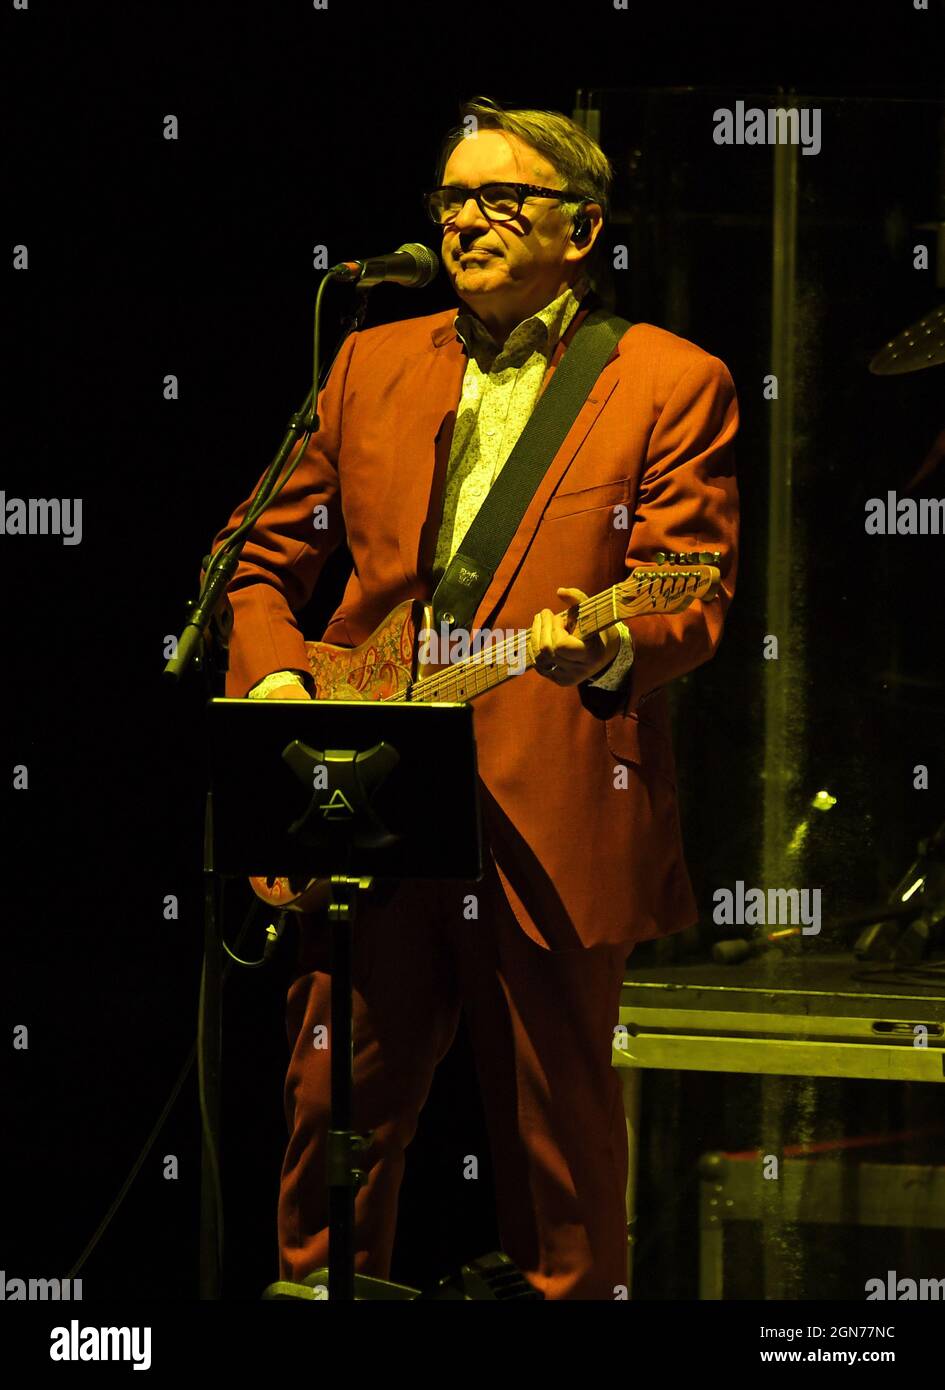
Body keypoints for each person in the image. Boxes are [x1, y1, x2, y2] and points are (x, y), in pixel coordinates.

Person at [210, 96, 739, 1299]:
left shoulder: (671, 379)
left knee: (559, 1143)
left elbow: (690, 596)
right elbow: (257, 561)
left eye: (504, 196)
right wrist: (286, 678)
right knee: (329, 1106)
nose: (467, 220)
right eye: (453, 197)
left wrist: (596, 651)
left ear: (583, 225)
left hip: (550, 799)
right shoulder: (369, 358)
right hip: (370, 796)